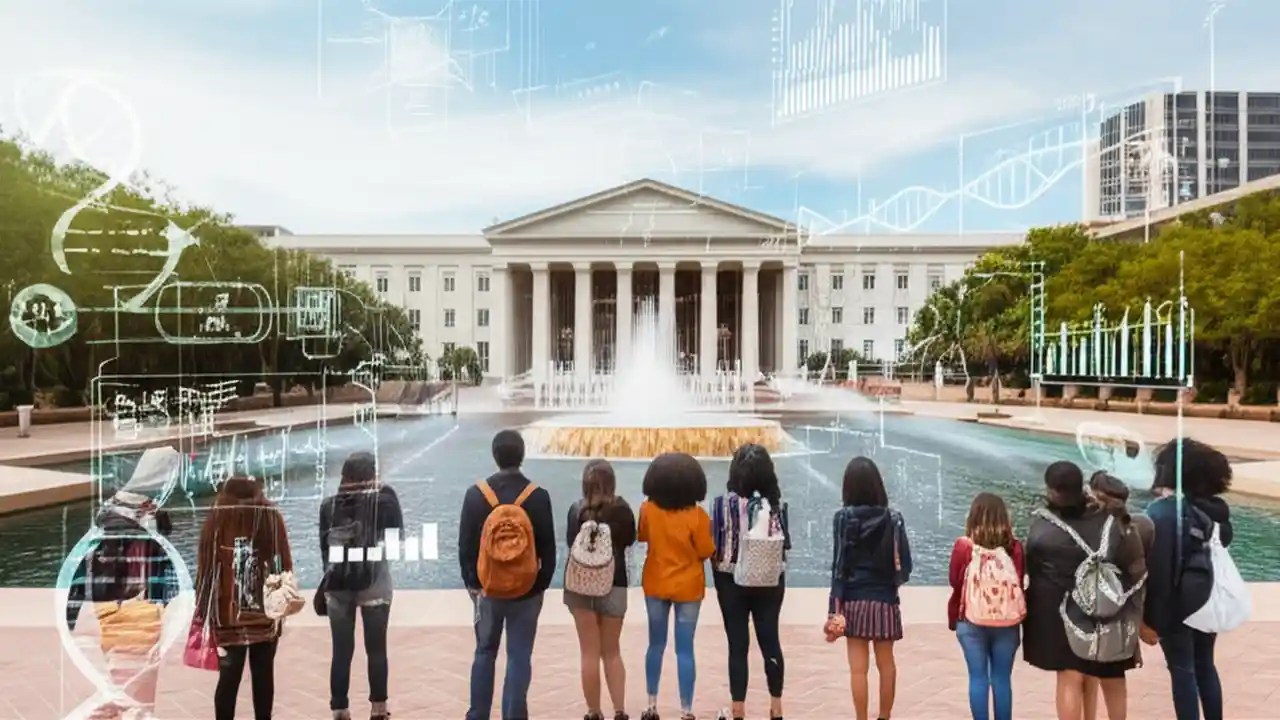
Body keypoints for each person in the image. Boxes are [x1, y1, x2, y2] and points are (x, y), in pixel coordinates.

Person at [65, 447, 184, 720]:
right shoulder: (148, 514)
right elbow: (159, 569)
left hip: (108, 604)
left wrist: (72, 611)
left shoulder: (112, 507)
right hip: (139, 608)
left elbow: (85, 562)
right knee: (140, 689)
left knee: (122, 683)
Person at [1023, 461, 1145, 720]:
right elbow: (1132, 563)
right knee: (1098, 671)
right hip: (1104, 609)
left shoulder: (1044, 529)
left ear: (1052, 490)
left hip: (1061, 614)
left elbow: (1031, 565)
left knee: (1069, 677)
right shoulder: (1109, 519)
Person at [458, 429, 556, 720]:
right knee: (519, 655)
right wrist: (539, 586)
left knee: (485, 651)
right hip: (526, 591)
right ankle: (514, 715)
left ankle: (478, 714)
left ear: (495, 456)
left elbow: (465, 546)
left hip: (488, 591)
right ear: (522, 455)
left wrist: (474, 585)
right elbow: (549, 550)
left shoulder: (476, 495)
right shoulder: (538, 496)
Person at [1143, 438, 1234, 720]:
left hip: (1176, 605)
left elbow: (1159, 571)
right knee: (1205, 665)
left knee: (1182, 671)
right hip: (1207, 598)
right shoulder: (1216, 510)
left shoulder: (1162, 512)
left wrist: (1150, 619)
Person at [195, 475, 294, 720]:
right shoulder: (270, 516)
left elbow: (206, 569)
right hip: (265, 611)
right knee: (263, 675)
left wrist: (203, 609)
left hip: (226, 613)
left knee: (228, 679)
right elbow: (283, 563)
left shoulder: (217, 518)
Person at [319, 451, 404, 720]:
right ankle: (379, 709)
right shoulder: (385, 502)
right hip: (374, 583)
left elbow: (324, 551)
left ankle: (339, 709)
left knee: (341, 651)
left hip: (338, 586)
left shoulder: (328, 506)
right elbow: (397, 541)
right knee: (376, 649)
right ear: (372, 475)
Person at [709, 443, 790, 720]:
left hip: (731, 582)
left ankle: (738, 710)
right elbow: (784, 546)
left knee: (738, 645)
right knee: (770, 640)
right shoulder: (777, 507)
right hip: (769, 581)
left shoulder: (721, 505)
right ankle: (776, 706)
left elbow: (715, 547)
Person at [828, 456, 912, 720]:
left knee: (857, 670)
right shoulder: (894, 519)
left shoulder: (842, 518)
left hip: (853, 601)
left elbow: (838, 566)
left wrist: (834, 608)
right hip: (885, 600)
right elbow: (906, 565)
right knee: (887, 665)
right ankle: (884, 716)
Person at [638, 452, 716, 720]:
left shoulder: (648, 510)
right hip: (688, 588)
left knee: (655, 644)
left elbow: (643, 535)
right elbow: (706, 550)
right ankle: (686, 709)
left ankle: (651, 704)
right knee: (685, 649)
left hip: (656, 583)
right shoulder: (698, 516)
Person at [563, 459, 637, 720]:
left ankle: (594, 712)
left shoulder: (576, 510)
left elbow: (571, 543)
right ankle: (619, 711)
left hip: (580, 587)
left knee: (589, 653)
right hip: (613, 585)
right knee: (612, 651)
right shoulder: (622, 510)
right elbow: (629, 540)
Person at [947, 492, 1025, 720]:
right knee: (1001, 678)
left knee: (978, 677)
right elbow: (1019, 580)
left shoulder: (964, 547)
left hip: (971, 621)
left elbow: (955, 581)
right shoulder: (1015, 548)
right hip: (1007, 622)